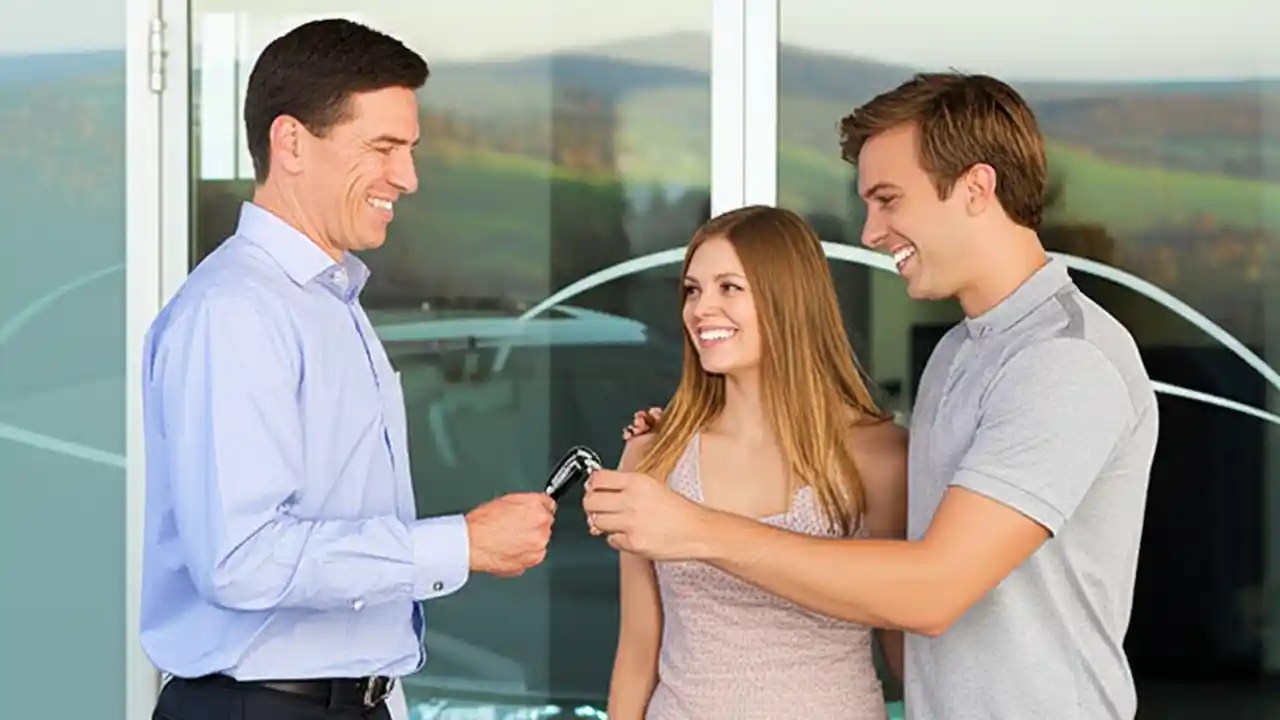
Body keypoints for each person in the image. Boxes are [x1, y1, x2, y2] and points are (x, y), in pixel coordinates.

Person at [590, 72, 1158, 720]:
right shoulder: (960, 353)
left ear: (976, 188)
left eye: (888, 199)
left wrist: (696, 527)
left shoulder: (1064, 361)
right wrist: (705, 433)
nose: (870, 231)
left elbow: (931, 592)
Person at [139, 19, 555, 720]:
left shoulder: (329, 301)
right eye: (383, 148)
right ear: (291, 142)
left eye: (410, 150)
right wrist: (462, 543)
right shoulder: (237, 311)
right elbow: (242, 558)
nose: (408, 177)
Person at [599, 205, 908, 719]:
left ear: (787, 299)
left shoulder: (878, 454)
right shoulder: (653, 453)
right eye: (693, 290)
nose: (701, 309)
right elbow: (636, 652)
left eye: (729, 288)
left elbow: (904, 640)